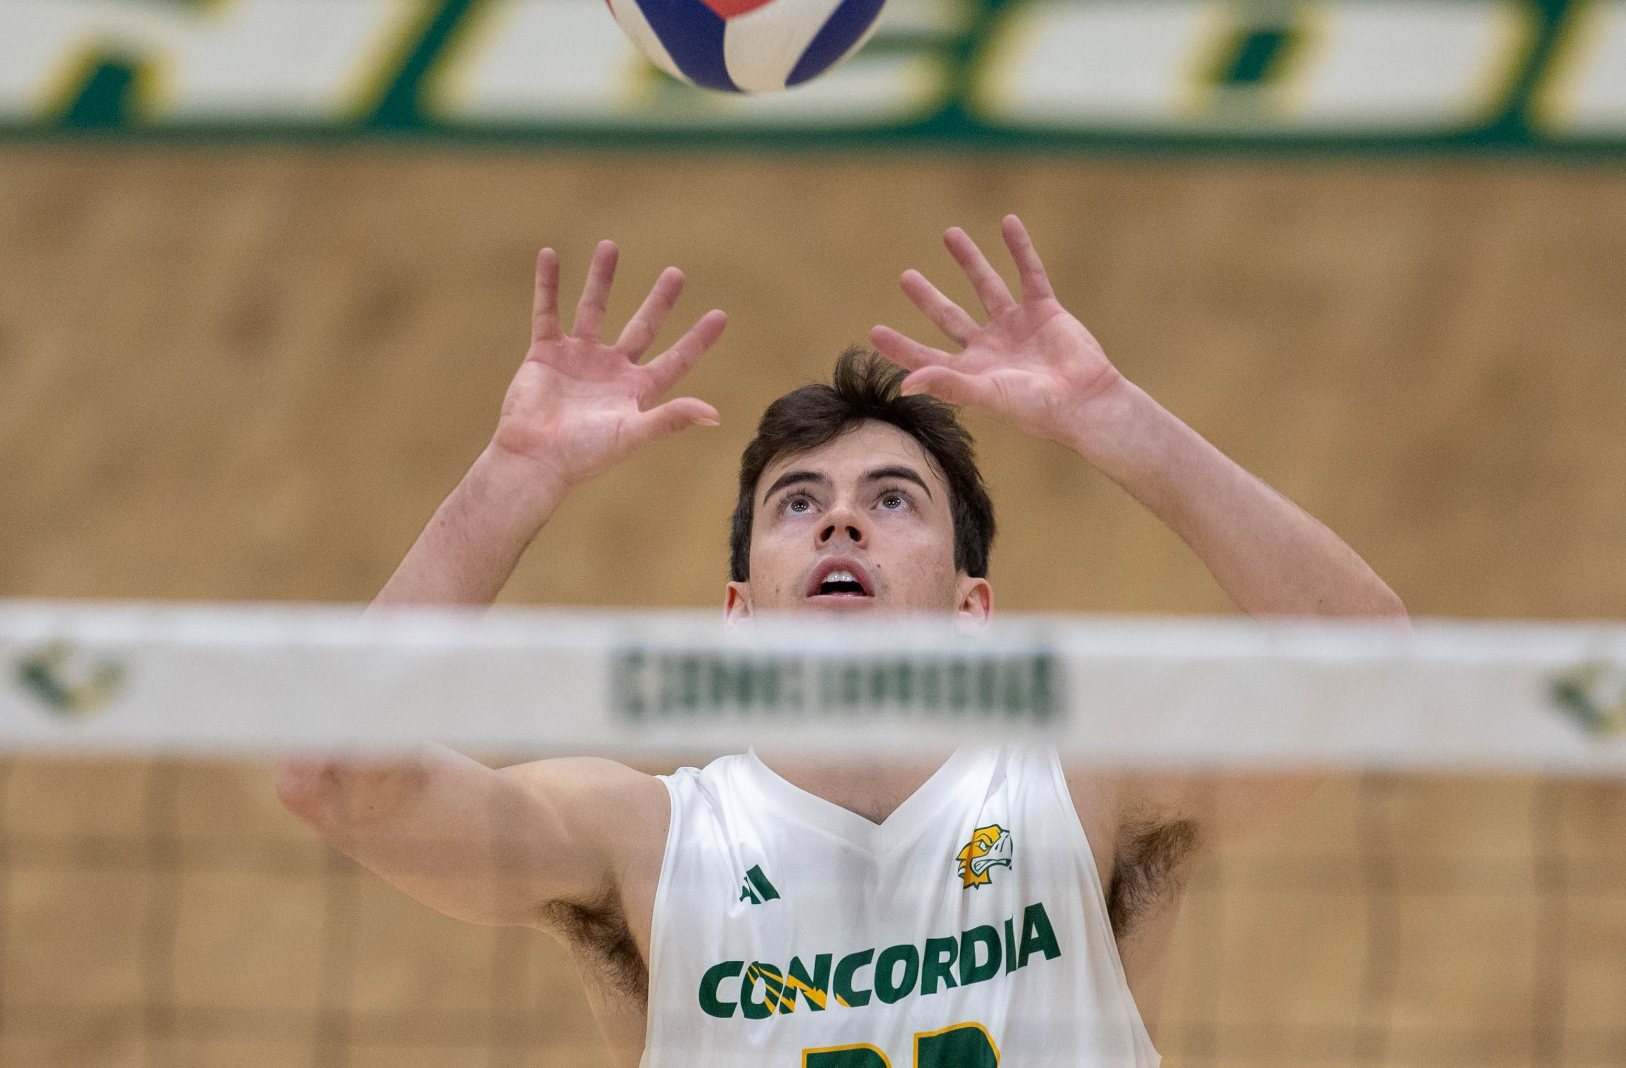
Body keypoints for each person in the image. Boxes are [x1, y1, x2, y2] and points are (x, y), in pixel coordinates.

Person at [278, 215, 1406, 1068]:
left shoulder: (1082, 791)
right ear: (739, 614)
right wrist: (512, 477)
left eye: (894, 498)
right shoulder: (646, 847)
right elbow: (335, 776)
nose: (840, 517)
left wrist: (1114, 416)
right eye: (795, 500)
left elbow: (1366, 664)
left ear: (972, 611)